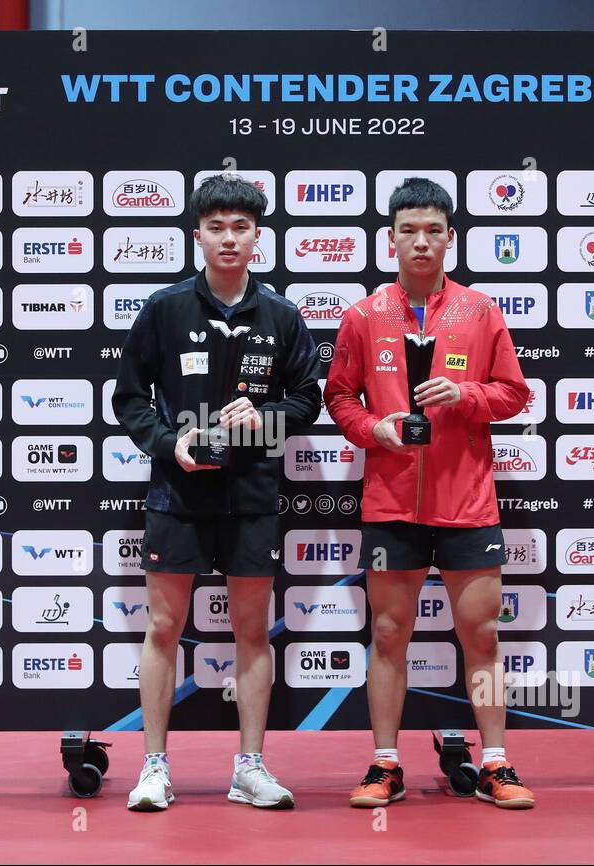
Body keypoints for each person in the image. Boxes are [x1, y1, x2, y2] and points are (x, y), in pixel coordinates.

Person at [324, 177, 535, 810]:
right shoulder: (363, 315)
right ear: (391, 240)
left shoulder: (480, 312)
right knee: (389, 633)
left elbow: (514, 393)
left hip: (467, 503)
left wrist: (466, 397)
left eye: (433, 231)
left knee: (483, 636)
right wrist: (373, 429)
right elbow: (338, 398)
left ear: (450, 238)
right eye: (408, 231)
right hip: (392, 504)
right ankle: (385, 764)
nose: (421, 242)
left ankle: (496, 763)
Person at [112, 174, 322, 811]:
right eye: (217, 228)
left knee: (252, 633)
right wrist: (166, 443)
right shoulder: (165, 309)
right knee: (162, 628)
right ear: (197, 235)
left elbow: (310, 400)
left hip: (251, 496)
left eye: (241, 228)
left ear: (258, 236)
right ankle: (153, 768)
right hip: (177, 495)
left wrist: (264, 422)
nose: (229, 239)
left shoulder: (281, 315)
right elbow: (128, 398)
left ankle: (250, 767)